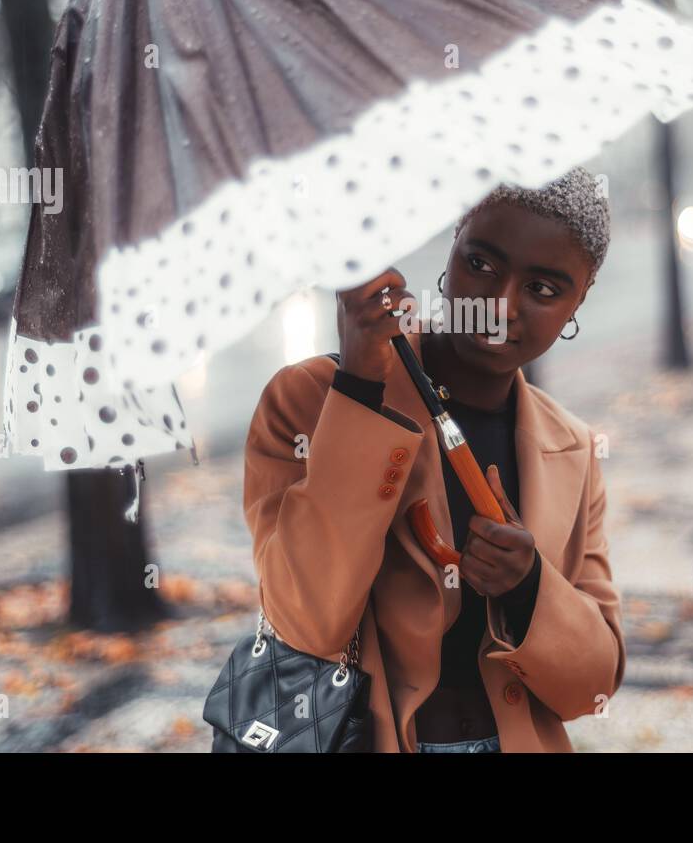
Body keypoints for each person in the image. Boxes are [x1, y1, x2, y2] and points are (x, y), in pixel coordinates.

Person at [242, 166, 624, 752]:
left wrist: (528, 590)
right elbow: (305, 623)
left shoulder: (570, 446)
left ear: (582, 296)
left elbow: (592, 688)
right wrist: (361, 389)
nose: (500, 304)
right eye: (482, 264)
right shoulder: (310, 401)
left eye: (544, 289)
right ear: (455, 239)